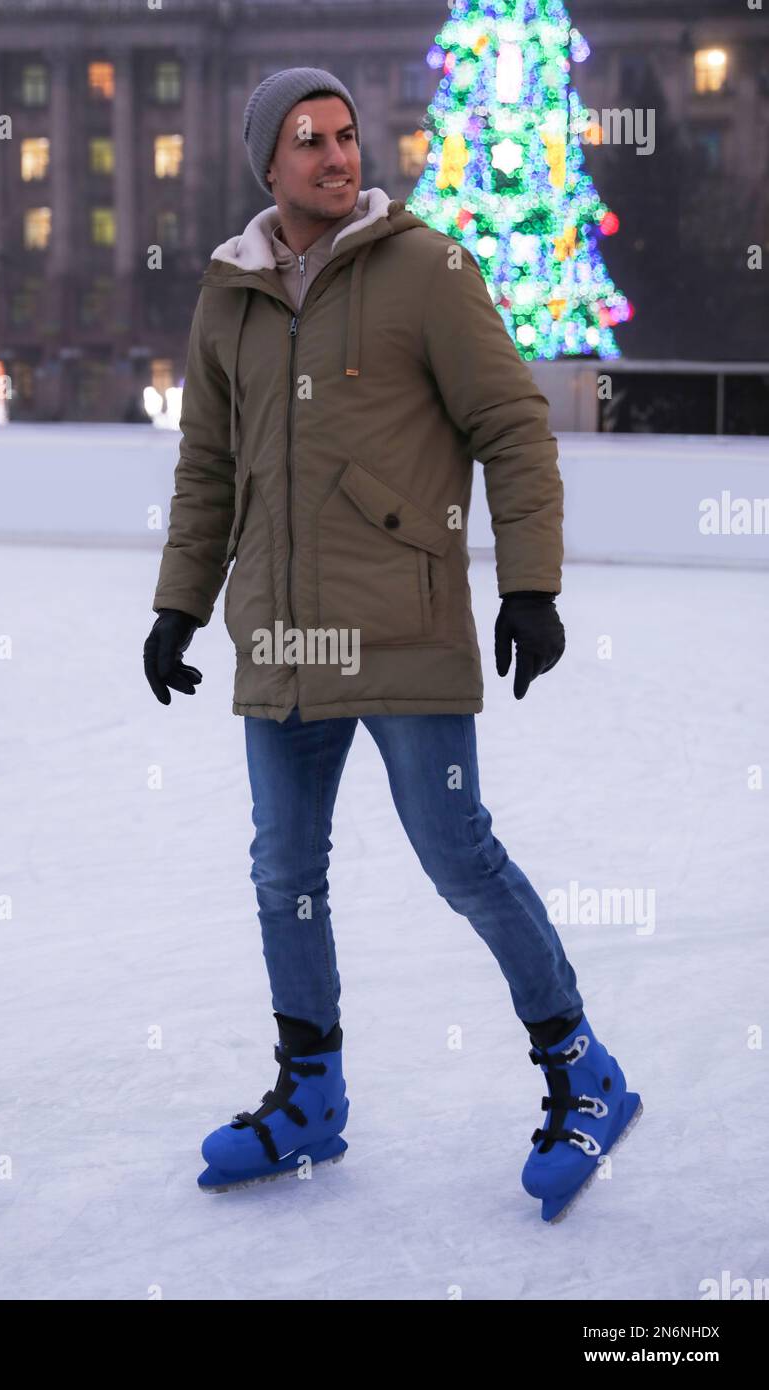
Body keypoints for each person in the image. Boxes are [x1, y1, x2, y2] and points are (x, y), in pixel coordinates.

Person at [144, 69, 641, 1217]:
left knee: (457, 853)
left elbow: (513, 426)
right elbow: (209, 469)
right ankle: (309, 1092)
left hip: (406, 625)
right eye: (307, 140)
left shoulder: (429, 269)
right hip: (280, 638)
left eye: (347, 134)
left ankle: (584, 1072)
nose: (335, 155)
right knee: (284, 875)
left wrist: (529, 585)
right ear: (267, 165)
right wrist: (178, 605)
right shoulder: (227, 294)